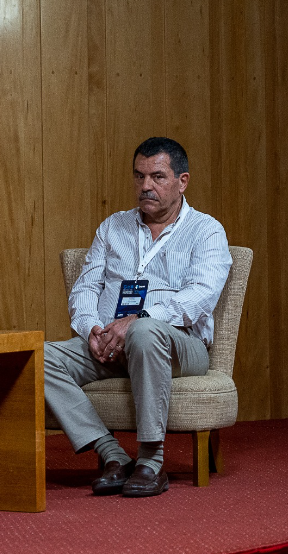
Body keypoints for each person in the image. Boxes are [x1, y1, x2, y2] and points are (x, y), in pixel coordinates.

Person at [45, 137, 232, 497]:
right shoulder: (112, 227)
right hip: (109, 343)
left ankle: (151, 461)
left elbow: (199, 296)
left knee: (145, 330)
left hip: (181, 346)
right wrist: (92, 328)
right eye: (139, 176)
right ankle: (113, 455)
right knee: (38, 358)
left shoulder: (206, 230)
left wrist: (138, 320)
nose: (146, 185)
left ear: (182, 181)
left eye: (157, 177)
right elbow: (85, 289)